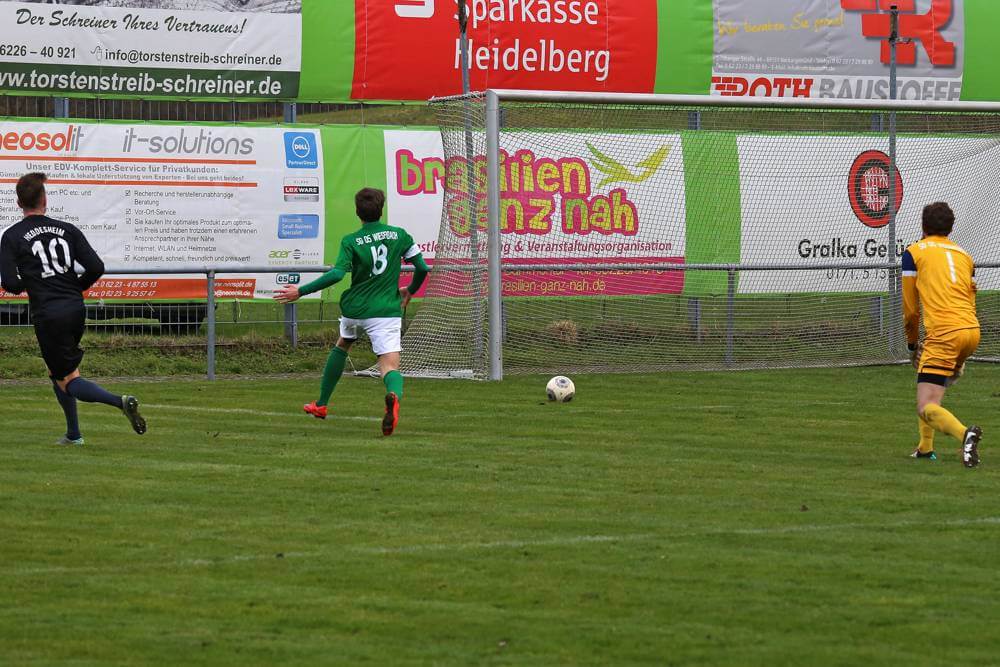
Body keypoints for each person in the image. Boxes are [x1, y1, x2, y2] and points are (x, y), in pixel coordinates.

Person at [0, 173, 146, 445]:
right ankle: (73, 434)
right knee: (57, 372)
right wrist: (74, 289)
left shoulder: (12, 236)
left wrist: (29, 285)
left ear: (19, 202)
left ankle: (121, 402)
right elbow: (96, 267)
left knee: (68, 380)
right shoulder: (67, 230)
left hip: (49, 313)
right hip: (76, 309)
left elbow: (9, 282)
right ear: (45, 199)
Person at [273, 187, 429, 436]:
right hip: (385, 311)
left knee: (343, 344)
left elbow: (336, 274)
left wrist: (300, 291)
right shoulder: (400, 235)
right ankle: (392, 396)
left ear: (358, 212)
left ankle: (321, 404)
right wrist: (410, 290)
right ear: (382, 208)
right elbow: (422, 268)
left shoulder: (351, 240)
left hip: (355, 309)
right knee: (389, 367)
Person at [902, 202, 980, 467]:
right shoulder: (964, 255)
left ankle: (965, 435)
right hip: (970, 330)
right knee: (930, 382)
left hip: (945, 333)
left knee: (926, 405)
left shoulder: (913, 253)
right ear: (950, 227)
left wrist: (912, 345)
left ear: (923, 226)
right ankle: (925, 449)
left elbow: (911, 311)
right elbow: (970, 295)